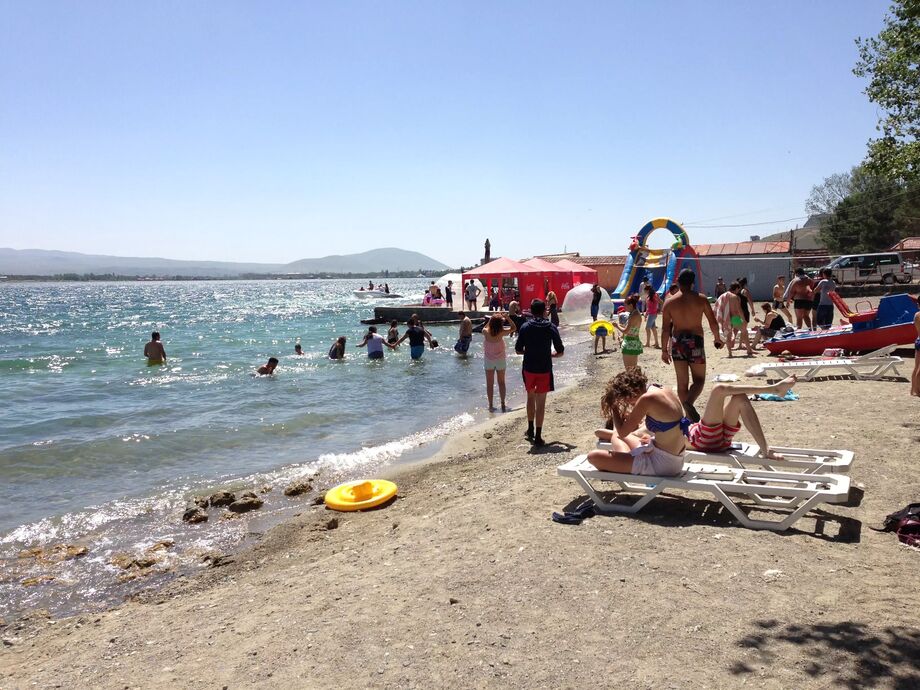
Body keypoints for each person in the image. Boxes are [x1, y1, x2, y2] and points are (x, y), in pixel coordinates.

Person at [587, 368, 795, 475]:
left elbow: (622, 433)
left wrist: (614, 407)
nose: (630, 404)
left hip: (664, 463)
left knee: (594, 456)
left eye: (627, 399)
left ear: (632, 392)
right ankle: (624, 457)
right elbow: (627, 433)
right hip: (668, 454)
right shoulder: (661, 389)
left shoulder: (646, 399)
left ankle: (774, 389)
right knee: (626, 443)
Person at [660, 268, 723, 423]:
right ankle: (689, 403)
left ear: (678, 283)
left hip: (678, 343)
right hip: (695, 342)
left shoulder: (669, 303)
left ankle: (687, 416)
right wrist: (717, 338)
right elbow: (712, 322)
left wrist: (663, 350)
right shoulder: (701, 299)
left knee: (682, 383)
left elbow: (665, 329)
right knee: (699, 380)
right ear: (693, 283)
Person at [515, 299, 564, 446]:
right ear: (545, 311)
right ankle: (538, 436)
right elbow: (560, 351)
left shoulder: (525, 327)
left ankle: (530, 429)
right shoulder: (550, 327)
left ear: (531, 310)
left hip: (529, 367)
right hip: (544, 368)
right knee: (541, 403)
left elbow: (518, 350)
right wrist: (551, 355)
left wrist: (529, 352)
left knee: (530, 397)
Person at [482, 313, 515, 411]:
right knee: (501, 382)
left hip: (488, 361)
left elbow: (485, 327)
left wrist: (491, 319)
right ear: (500, 324)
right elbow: (514, 327)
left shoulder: (485, 332)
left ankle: (491, 405)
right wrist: (508, 317)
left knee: (489, 383)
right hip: (500, 360)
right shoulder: (502, 332)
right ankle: (503, 403)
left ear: (491, 322)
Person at [615, 294, 643, 367]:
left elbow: (626, 331)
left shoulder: (633, 315)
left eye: (625, 305)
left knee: (629, 370)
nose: (624, 307)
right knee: (633, 369)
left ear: (630, 305)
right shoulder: (636, 313)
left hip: (630, 344)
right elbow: (631, 328)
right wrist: (621, 326)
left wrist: (617, 326)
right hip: (634, 342)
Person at [912, 298, 920, 397]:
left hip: (918, 340)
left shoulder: (916, 315)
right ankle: (918, 391)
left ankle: (913, 389)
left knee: (916, 367)